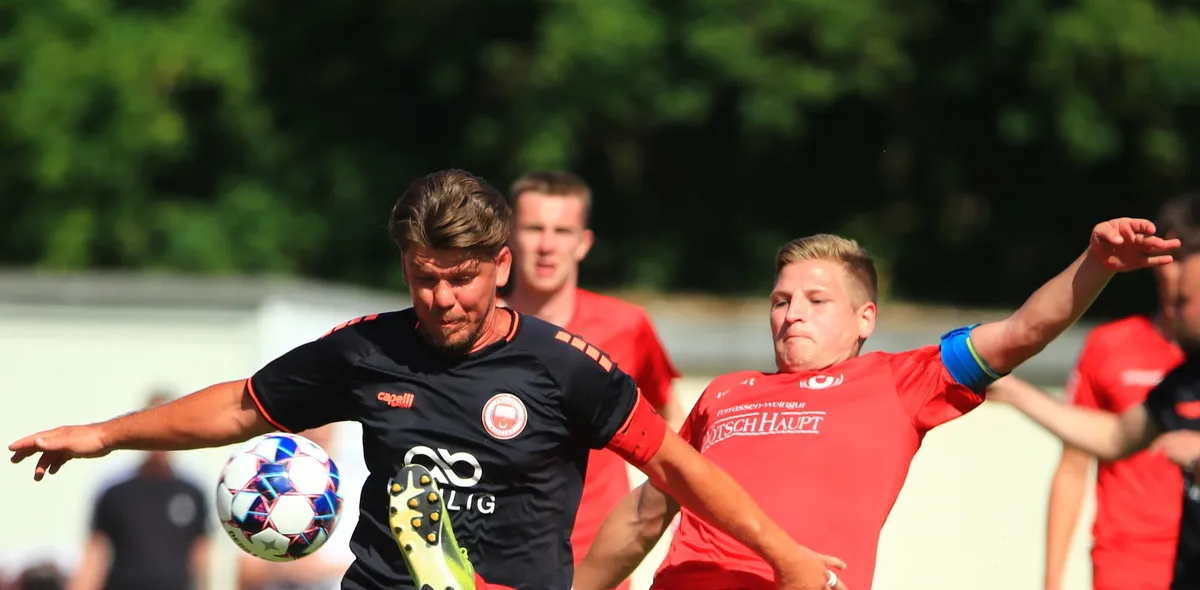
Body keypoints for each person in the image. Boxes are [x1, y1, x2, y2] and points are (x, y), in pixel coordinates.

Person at [10, 169, 846, 590]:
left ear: (499, 265)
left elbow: (673, 463)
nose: (441, 299)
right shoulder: (366, 351)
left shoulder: (564, 367)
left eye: (460, 278)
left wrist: (784, 555)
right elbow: (240, 406)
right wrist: (103, 433)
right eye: (423, 277)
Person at [572, 217, 1179, 590]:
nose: (792, 314)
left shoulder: (898, 381)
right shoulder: (726, 391)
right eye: (781, 300)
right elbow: (645, 514)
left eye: (815, 299)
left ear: (866, 319)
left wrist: (1096, 264)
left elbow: (1022, 331)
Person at [1004, 194, 1199, 590]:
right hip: (1131, 564)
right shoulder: (1178, 377)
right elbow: (1110, 437)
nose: (1175, 307)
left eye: (1187, 301)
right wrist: (1012, 391)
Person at [501, 170, 684, 590]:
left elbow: (674, 427)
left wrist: (662, 518)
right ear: (509, 237)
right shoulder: (476, 326)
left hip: (599, 571)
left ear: (583, 242)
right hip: (493, 570)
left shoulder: (627, 326)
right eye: (534, 228)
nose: (547, 245)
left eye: (562, 231)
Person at [66, 391, 210, 590]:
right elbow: (95, 556)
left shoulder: (193, 493)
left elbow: (200, 558)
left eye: (171, 427)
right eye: (156, 427)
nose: (163, 437)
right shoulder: (116, 494)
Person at [235, 425, 354, 590]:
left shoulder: (360, 487)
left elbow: (377, 565)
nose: (316, 429)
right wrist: (285, 566)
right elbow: (246, 573)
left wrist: (322, 570)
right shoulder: (269, 483)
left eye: (325, 420)